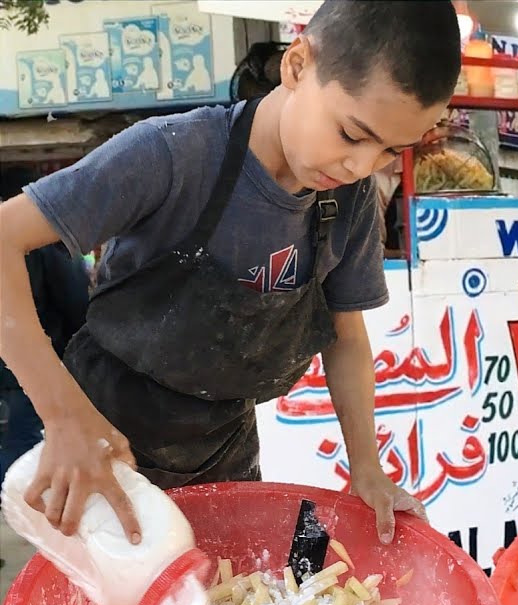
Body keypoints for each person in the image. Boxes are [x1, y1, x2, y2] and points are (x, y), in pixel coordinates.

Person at [0, 0, 461, 546]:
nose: (360, 166)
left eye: (390, 150)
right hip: (105, 450)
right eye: (351, 133)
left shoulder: (350, 200)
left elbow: (346, 337)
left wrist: (367, 466)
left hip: (226, 449)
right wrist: (64, 418)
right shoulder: (173, 155)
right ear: (297, 65)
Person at [0, 170, 90, 481]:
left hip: (10, 354)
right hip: (29, 354)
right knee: (27, 434)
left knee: (20, 430)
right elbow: (74, 297)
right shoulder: (43, 242)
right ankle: (19, 509)